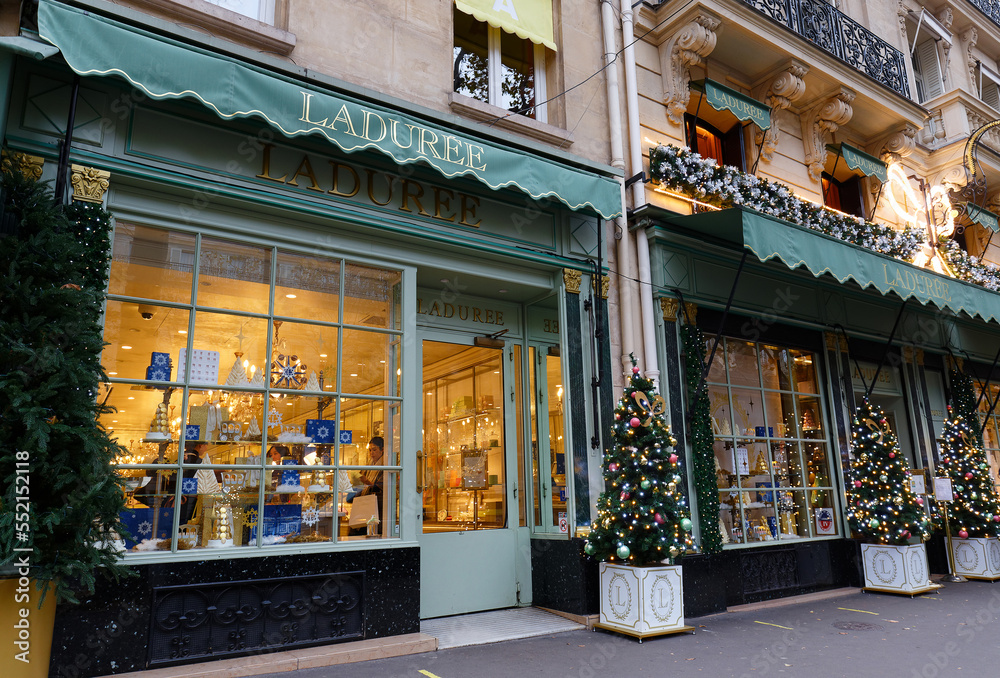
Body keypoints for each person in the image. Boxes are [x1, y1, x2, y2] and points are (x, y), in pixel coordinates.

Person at [349, 437, 384, 535]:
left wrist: (368, 482)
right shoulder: (368, 465)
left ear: (382, 450)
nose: (371, 453)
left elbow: (385, 487)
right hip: (364, 506)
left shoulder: (385, 466)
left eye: (374, 450)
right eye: (370, 450)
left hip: (377, 507)